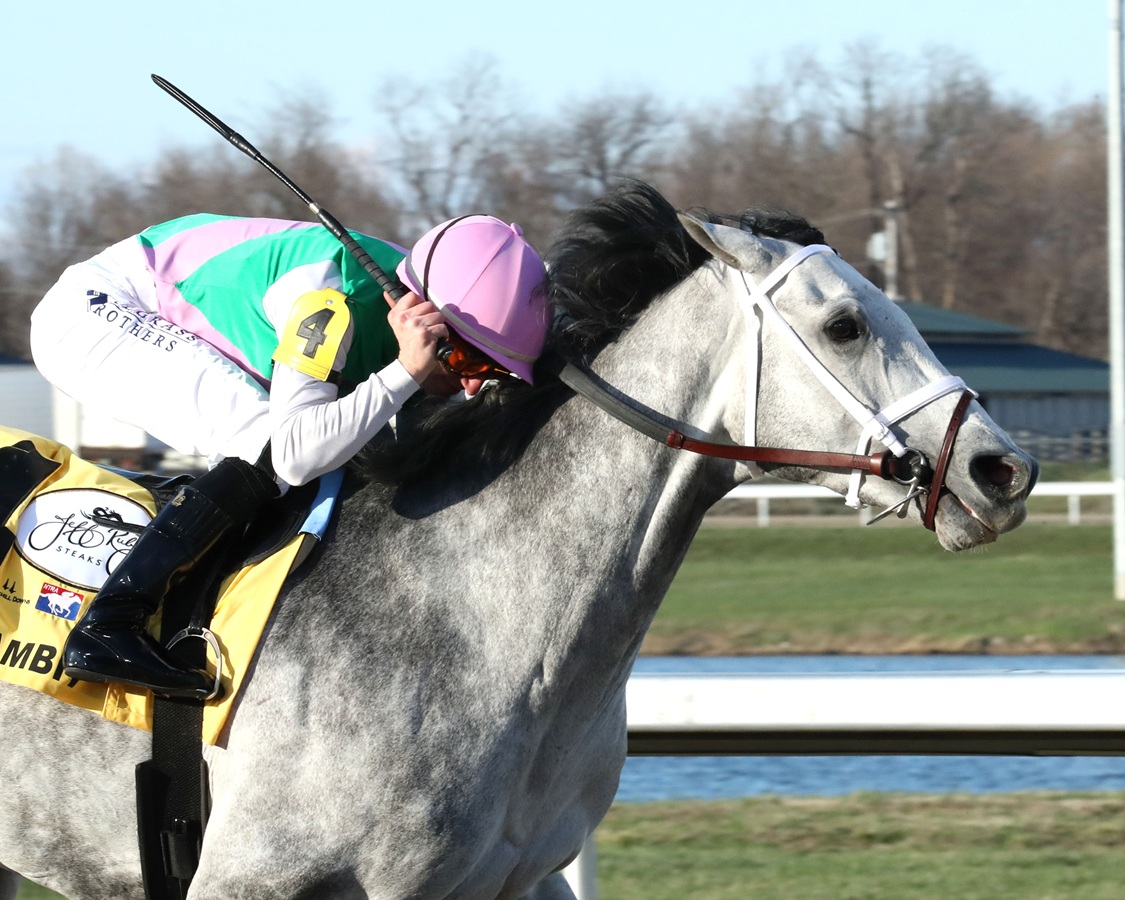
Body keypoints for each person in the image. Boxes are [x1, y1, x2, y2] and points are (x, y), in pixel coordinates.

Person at [29, 213, 550, 700]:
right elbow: (295, 456)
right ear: (418, 317)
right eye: (465, 360)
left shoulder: (424, 298)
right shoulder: (327, 299)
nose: (472, 385)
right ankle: (109, 624)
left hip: (154, 296)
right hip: (97, 310)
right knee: (267, 444)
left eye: (492, 370)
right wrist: (406, 372)